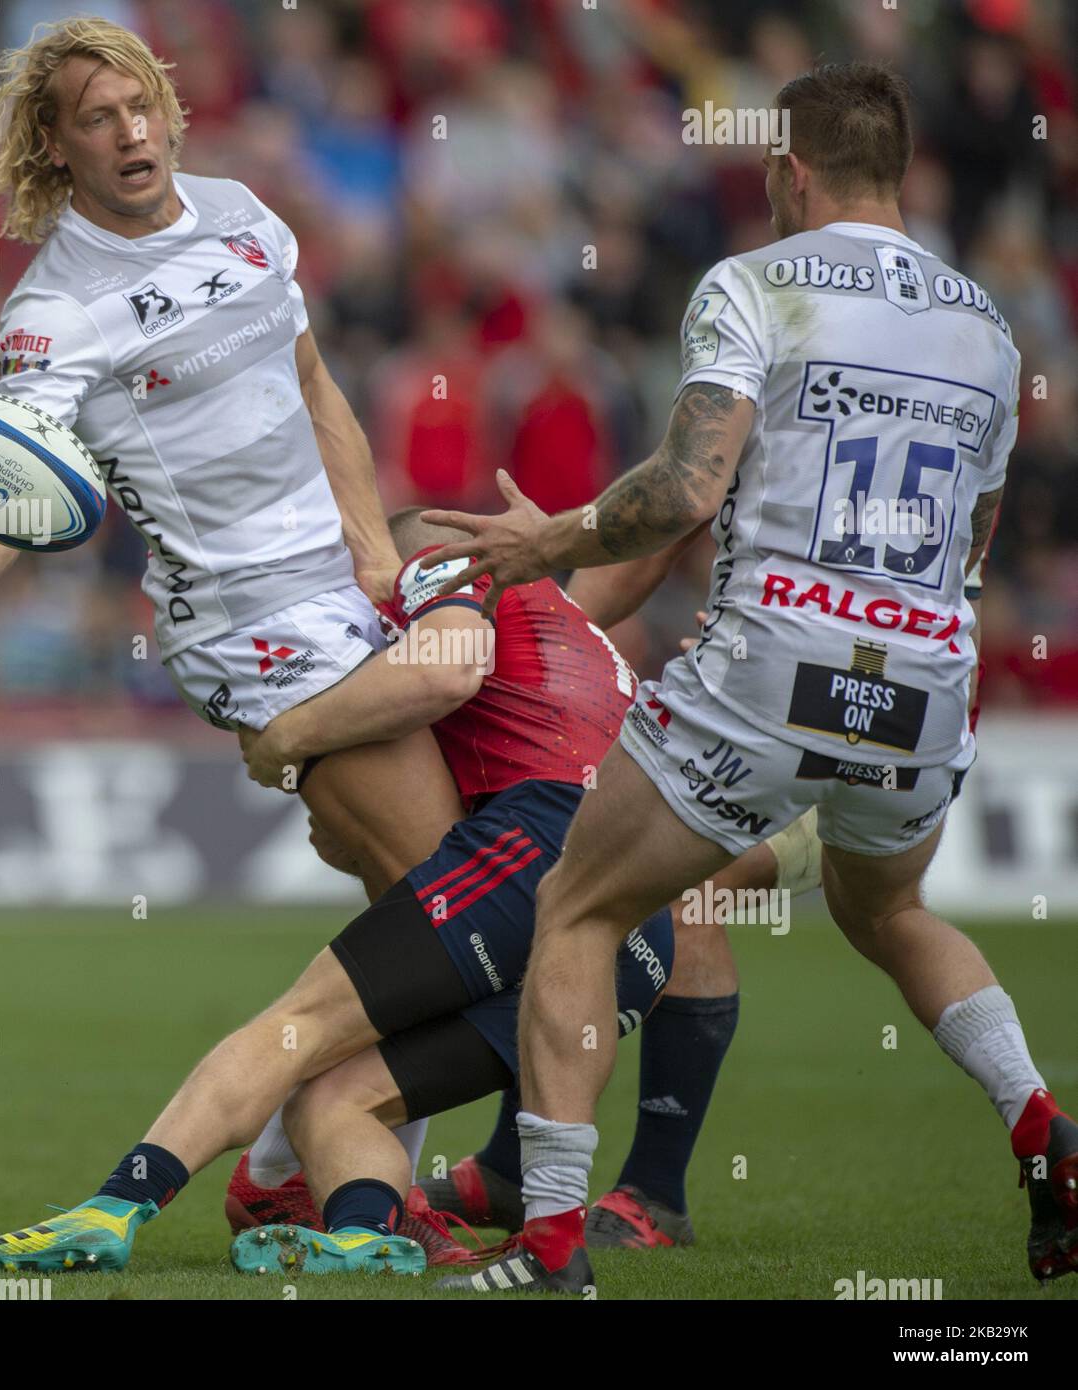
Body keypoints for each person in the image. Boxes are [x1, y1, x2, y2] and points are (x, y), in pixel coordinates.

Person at [416, 62, 1078, 1293]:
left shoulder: (752, 285)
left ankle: (550, 1240)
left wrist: (541, 543)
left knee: (579, 906)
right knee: (887, 912)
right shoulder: (989, 325)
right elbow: (974, 538)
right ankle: (1040, 1123)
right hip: (923, 678)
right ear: (900, 170)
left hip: (773, 663)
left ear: (791, 170)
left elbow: (680, 491)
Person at [0, 508, 809, 1277]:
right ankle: (366, 1237)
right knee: (337, 1095)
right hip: (635, 924)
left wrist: (286, 735)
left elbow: (441, 674)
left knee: (296, 1029)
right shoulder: (581, 630)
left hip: (538, 847)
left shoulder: (439, 566)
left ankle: (113, 1206)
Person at [0, 17, 463, 902]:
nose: (131, 132)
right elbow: (10, 489)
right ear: (54, 145)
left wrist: (375, 559)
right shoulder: (53, 311)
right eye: (98, 119)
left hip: (342, 584)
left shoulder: (243, 212)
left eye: (142, 107)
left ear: (168, 113)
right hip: (248, 624)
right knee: (456, 896)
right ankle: (271, 1031)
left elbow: (316, 387)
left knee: (454, 901)